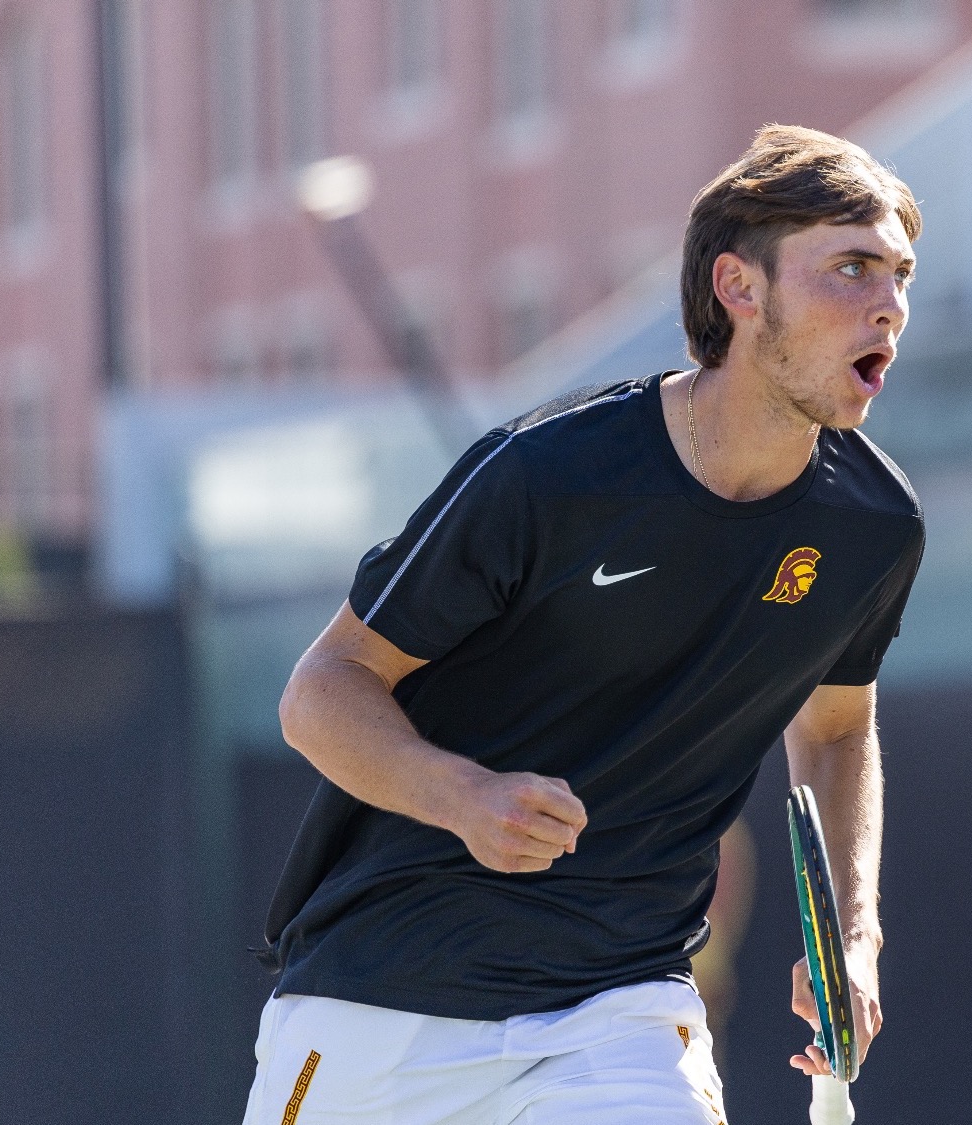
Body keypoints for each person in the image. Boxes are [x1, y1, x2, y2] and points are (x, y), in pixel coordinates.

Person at [242, 124, 925, 1125]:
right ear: (739, 289)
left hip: (620, 1009)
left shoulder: (872, 529)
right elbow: (321, 694)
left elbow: (831, 726)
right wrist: (466, 797)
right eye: (850, 269)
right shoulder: (545, 476)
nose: (888, 306)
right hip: (384, 998)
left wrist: (852, 937)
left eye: (899, 275)